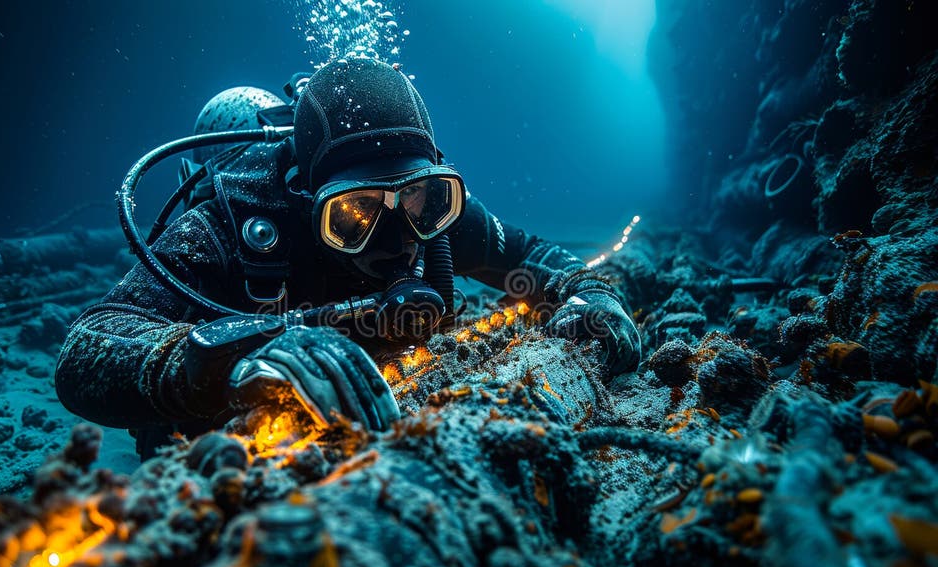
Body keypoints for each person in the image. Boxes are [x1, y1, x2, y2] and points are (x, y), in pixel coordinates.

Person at [55, 59, 641, 459]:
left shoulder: (431, 209)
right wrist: (222, 363)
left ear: (434, 184)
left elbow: (532, 255)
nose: (395, 237)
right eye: (354, 215)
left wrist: (592, 295)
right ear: (305, 198)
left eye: (415, 198)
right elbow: (89, 345)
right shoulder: (230, 223)